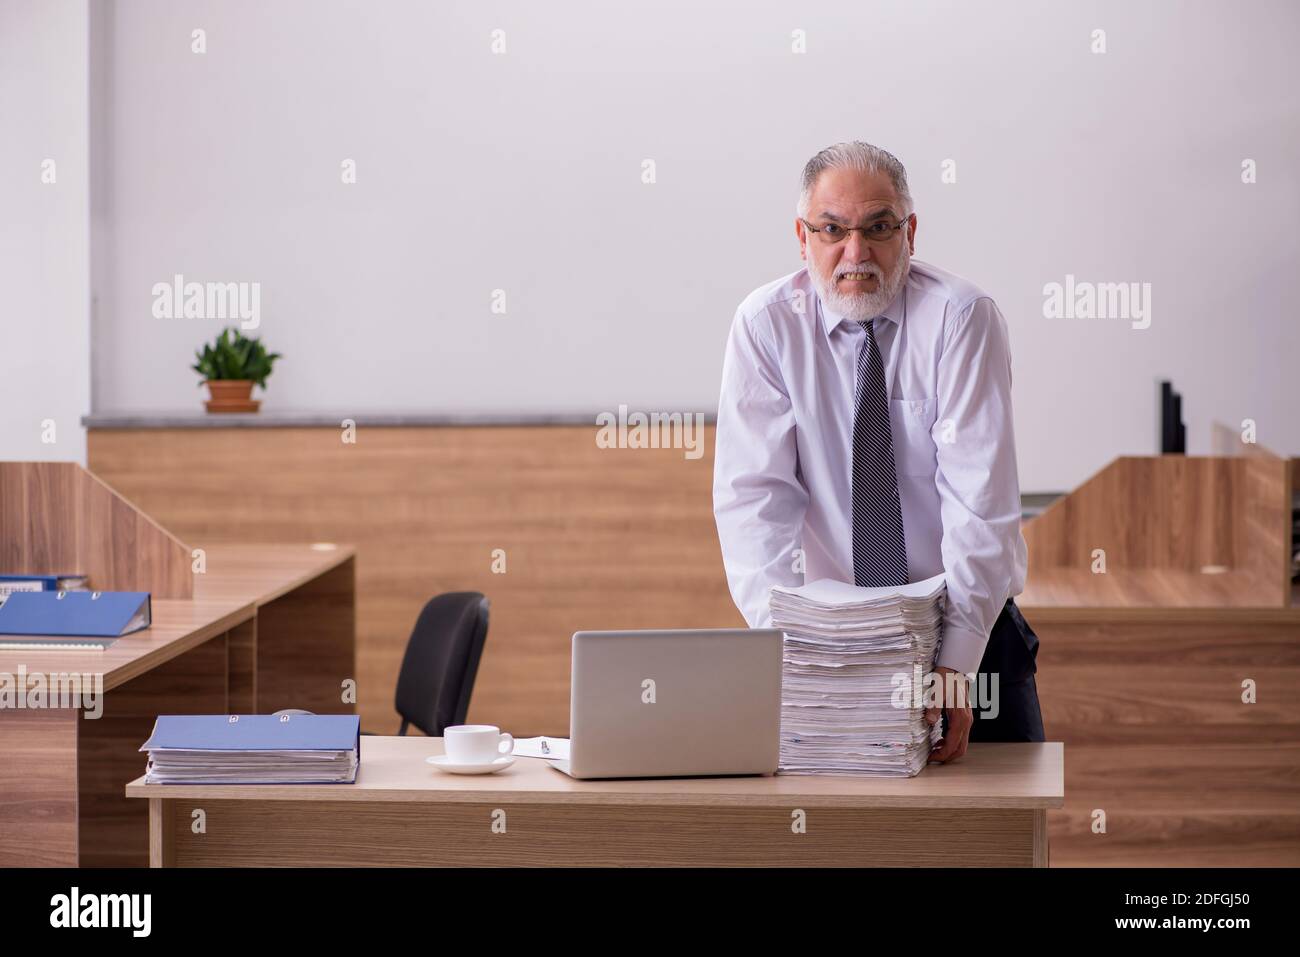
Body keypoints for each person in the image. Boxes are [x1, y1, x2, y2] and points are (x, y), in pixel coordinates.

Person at [713, 141, 1044, 764]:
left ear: (910, 232)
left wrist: (955, 664)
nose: (855, 252)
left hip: (970, 629)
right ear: (802, 237)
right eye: (832, 230)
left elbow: (981, 505)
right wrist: (790, 653)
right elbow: (754, 505)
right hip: (830, 643)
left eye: (879, 227)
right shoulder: (765, 326)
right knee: (847, 842)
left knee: (996, 840)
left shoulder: (961, 319)